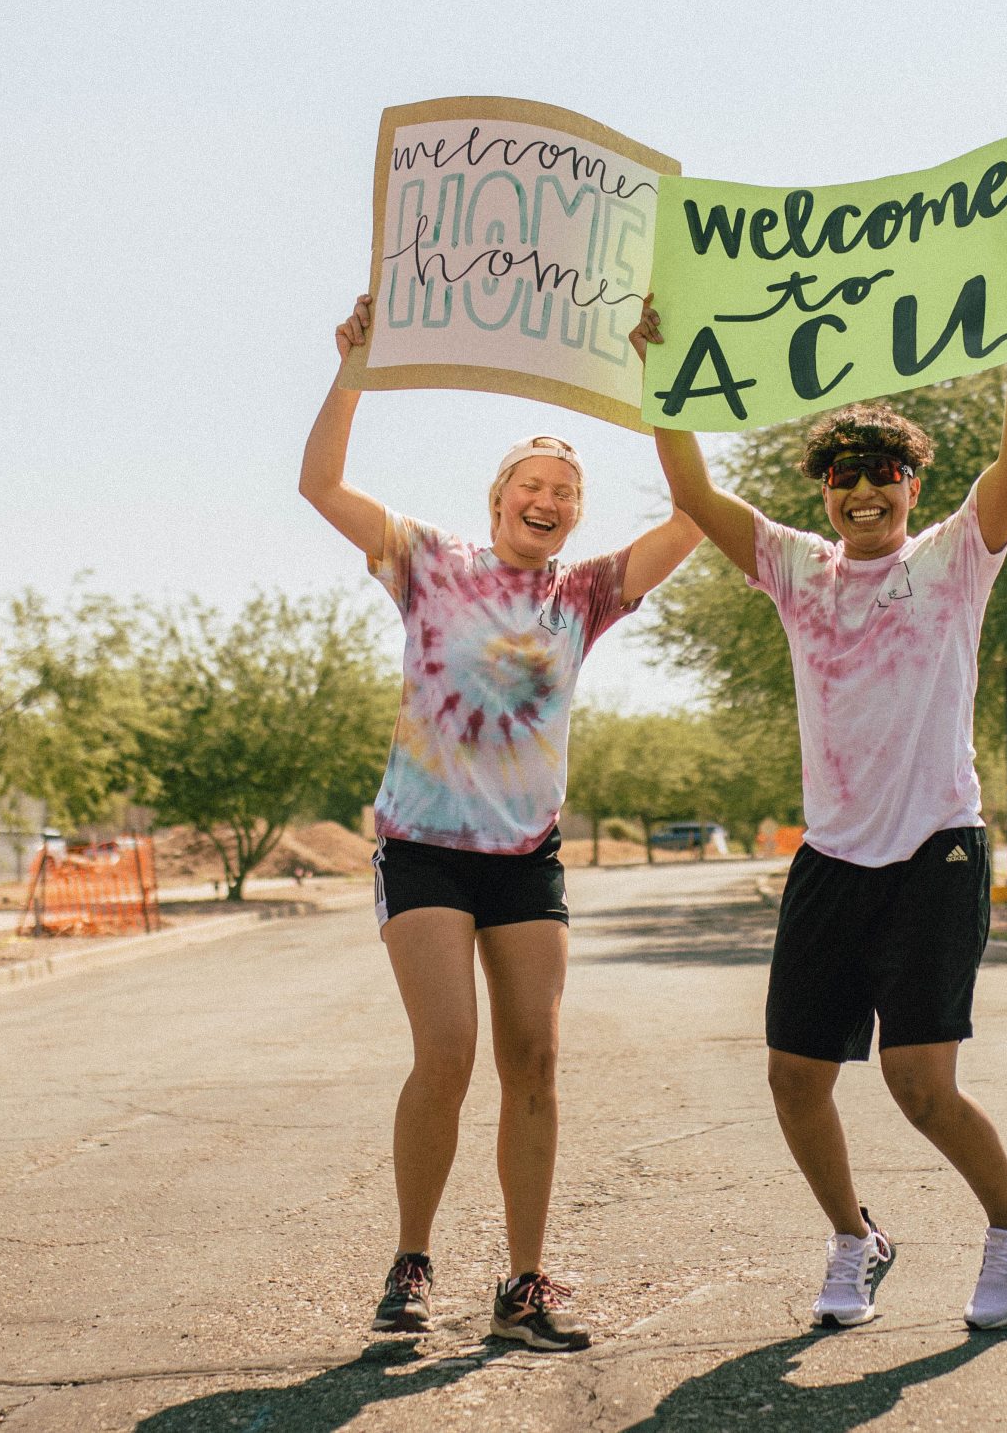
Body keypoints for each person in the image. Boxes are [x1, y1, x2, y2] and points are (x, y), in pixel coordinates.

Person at [634, 257, 1007, 1332]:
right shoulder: (793, 571)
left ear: (911, 487)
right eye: (842, 477)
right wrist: (660, 383)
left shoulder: (954, 561)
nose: (863, 490)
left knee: (918, 1084)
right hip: (832, 860)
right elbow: (691, 495)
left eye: (883, 474)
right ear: (822, 494)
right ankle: (853, 1240)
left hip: (935, 854)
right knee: (794, 1078)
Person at [300, 292, 702, 1350]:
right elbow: (321, 486)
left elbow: (696, 514)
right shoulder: (430, 561)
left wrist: (664, 385)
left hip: (528, 857)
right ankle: (412, 1260)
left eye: (566, 490)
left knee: (535, 1063)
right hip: (425, 848)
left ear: (574, 513)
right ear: (497, 498)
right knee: (448, 1051)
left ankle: (524, 1284)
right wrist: (352, 368)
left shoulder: (585, 593)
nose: (550, 497)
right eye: (532, 482)